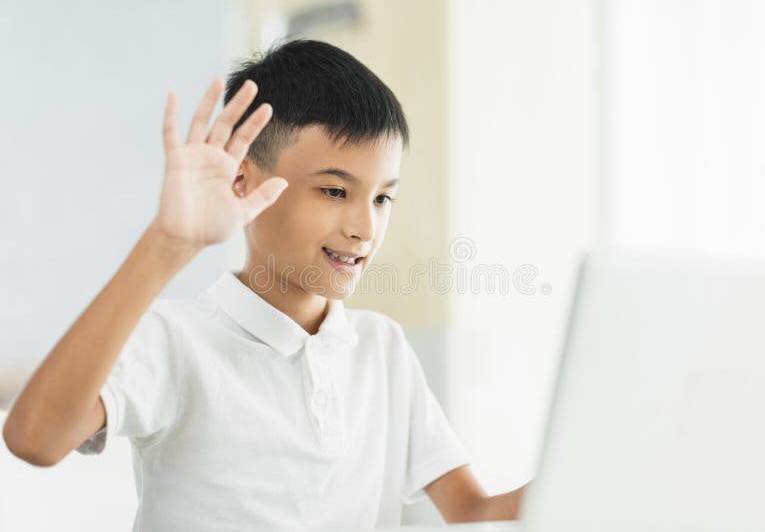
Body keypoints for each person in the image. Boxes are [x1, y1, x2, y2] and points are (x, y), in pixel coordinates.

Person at [2, 39, 527, 531]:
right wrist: (168, 244)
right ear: (242, 181)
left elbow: (473, 511)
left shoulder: (382, 350)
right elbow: (35, 438)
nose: (364, 228)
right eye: (333, 190)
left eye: (382, 198)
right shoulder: (175, 340)